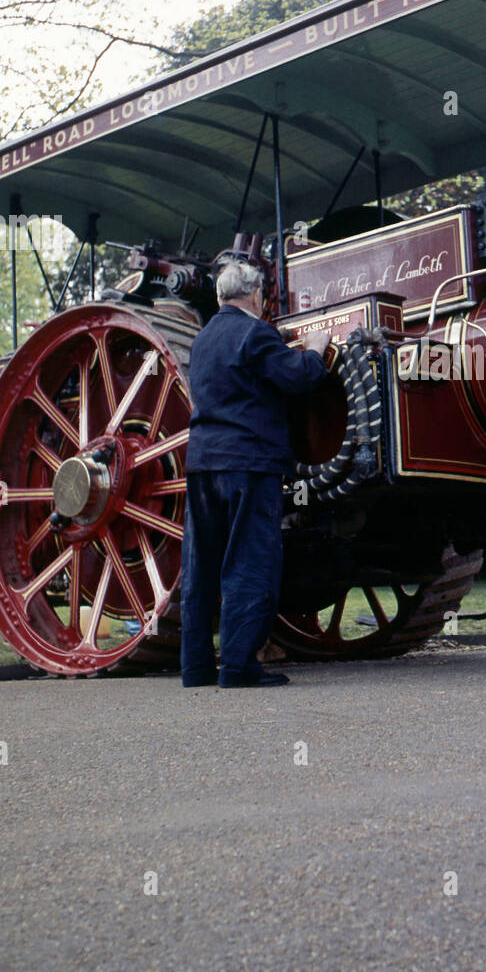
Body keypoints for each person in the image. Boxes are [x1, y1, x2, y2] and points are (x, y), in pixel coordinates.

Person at [181, 257, 332, 687]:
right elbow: (298, 377)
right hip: (249, 463)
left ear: (219, 296)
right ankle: (239, 666)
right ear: (255, 294)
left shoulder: (204, 338)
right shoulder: (255, 332)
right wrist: (316, 348)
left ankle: (195, 668)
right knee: (250, 561)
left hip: (203, 462)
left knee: (201, 565)